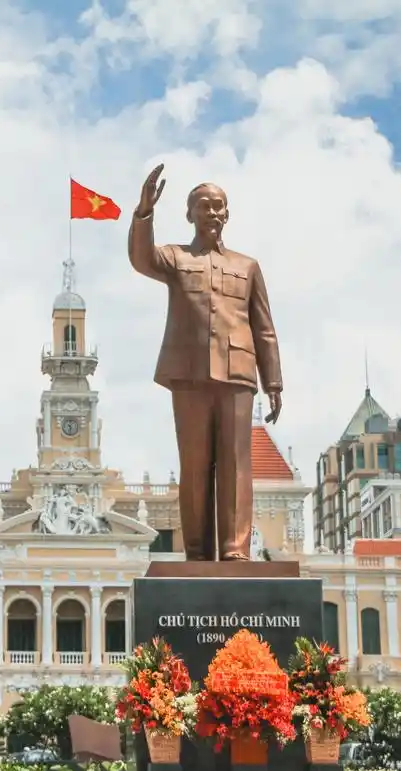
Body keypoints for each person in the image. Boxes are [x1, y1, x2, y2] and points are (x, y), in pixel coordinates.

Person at [127, 164, 284, 561]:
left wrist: (274, 383)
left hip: (237, 374)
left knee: (236, 465)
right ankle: (197, 553)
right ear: (189, 214)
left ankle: (235, 550)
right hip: (190, 373)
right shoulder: (176, 258)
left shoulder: (247, 266)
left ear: (227, 214)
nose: (212, 213)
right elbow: (142, 258)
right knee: (195, 465)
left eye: (219, 207)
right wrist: (144, 212)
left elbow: (263, 327)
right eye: (204, 206)